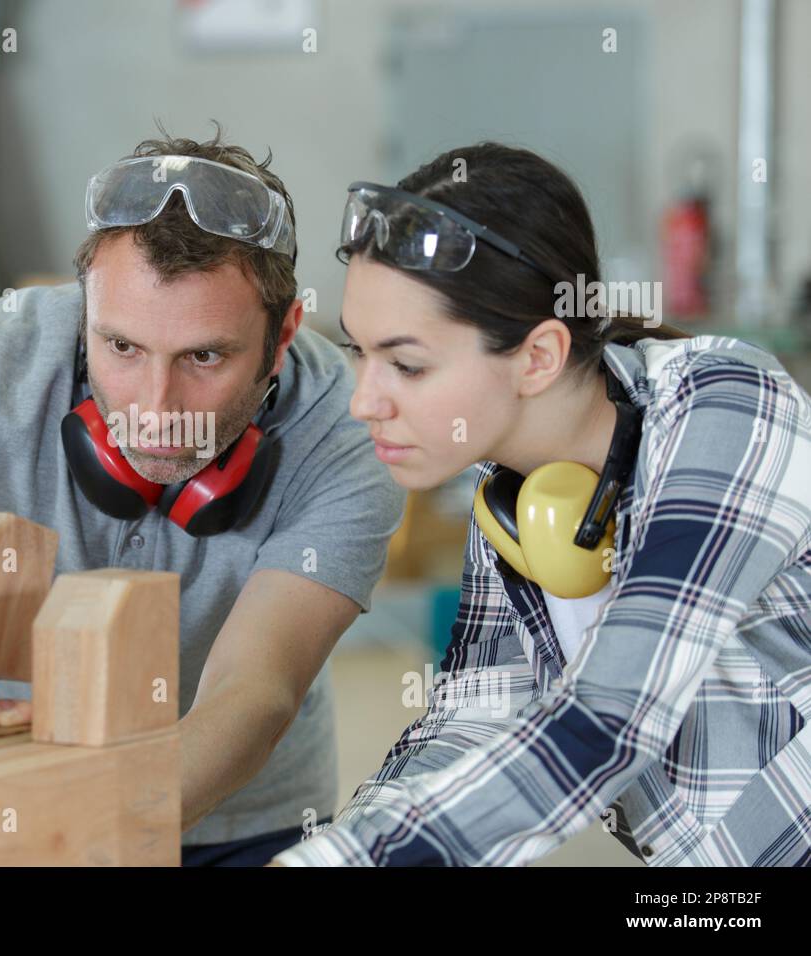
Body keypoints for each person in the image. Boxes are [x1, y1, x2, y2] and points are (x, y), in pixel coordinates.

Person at [0, 128, 406, 866]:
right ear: (84, 311)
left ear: (283, 337)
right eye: (120, 347)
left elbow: (255, 693)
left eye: (204, 356)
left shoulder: (351, 427)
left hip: (237, 818)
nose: (155, 408)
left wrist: (96, 814)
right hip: (10, 789)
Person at [273, 142, 811, 866]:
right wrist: (347, 842)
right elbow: (470, 718)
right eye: (358, 352)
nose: (364, 401)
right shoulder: (508, 489)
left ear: (538, 356)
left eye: (406, 364)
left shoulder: (729, 409)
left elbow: (614, 715)